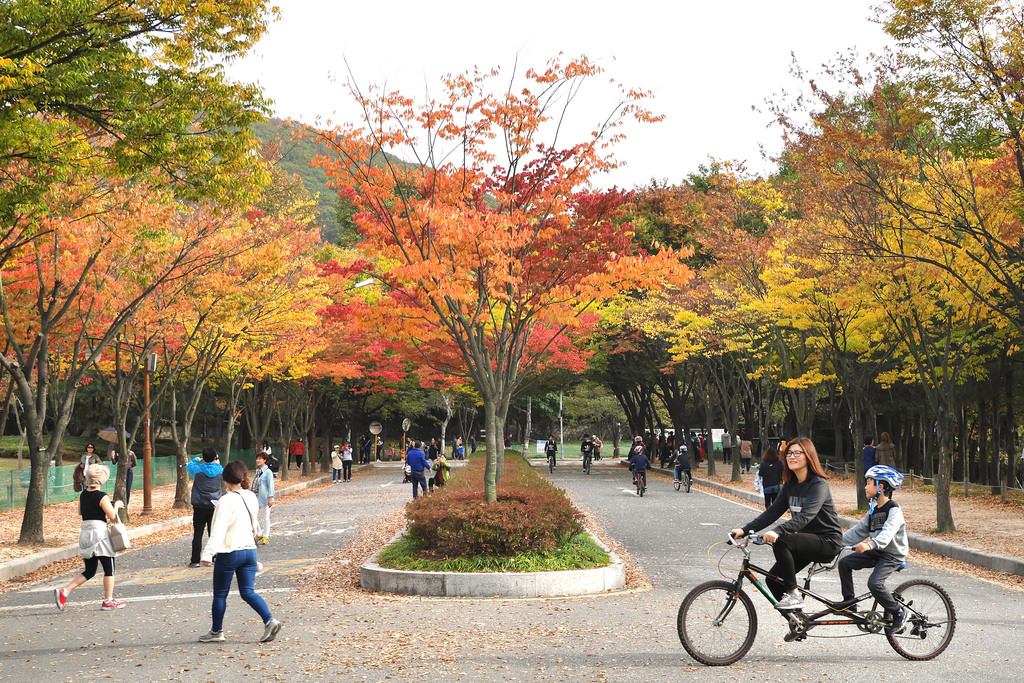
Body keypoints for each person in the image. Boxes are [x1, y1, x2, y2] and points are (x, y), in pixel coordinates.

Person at [730, 437, 843, 611]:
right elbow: (772, 512)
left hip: (827, 542)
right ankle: (798, 620)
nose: (791, 456)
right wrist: (744, 530)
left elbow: (806, 516)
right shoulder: (790, 486)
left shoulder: (819, 484)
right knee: (773, 579)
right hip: (806, 542)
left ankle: (793, 594)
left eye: (797, 453)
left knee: (782, 540)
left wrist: (778, 531)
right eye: (789, 453)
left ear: (809, 456)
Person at [198, 460, 282, 644]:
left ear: (225, 478)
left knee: (220, 594)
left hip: (230, 552)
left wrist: (207, 554)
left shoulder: (225, 500)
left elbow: (219, 529)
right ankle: (270, 620)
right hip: (249, 551)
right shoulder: (250, 496)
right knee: (248, 592)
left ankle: (217, 631)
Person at [837, 465, 909, 633]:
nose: (865, 487)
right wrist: (835, 542)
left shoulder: (894, 510)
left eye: (869, 483)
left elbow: (887, 533)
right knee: (845, 563)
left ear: (880, 486)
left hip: (892, 555)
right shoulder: (873, 510)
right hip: (877, 551)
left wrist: (869, 545)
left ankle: (899, 612)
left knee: (874, 583)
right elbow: (858, 531)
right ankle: (850, 604)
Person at [54, 464, 126, 612]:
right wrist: (117, 505)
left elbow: (80, 512)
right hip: (100, 534)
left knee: (90, 570)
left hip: (85, 533)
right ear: (102, 480)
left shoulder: (83, 494)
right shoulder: (102, 496)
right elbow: (112, 516)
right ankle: (108, 600)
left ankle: (65, 591)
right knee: (109, 568)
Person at [187, 447, 223, 568]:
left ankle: (195, 560)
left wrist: (197, 458)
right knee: (213, 532)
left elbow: (190, 465)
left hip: (199, 505)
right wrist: (217, 462)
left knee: (198, 533)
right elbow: (221, 468)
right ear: (215, 458)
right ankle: (214, 556)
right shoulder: (220, 470)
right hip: (214, 506)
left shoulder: (198, 470)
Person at [251, 452, 275, 544]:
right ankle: (259, 533)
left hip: (265, 497)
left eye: (260, 459)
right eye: (257, 458)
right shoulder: (257, 471)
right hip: (255, 496)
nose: (258, 460)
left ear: (265, 460)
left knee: (266, 517)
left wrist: (270, 497)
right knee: (253, 515)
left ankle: (266, 536)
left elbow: (271, 485)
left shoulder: (268, 472)